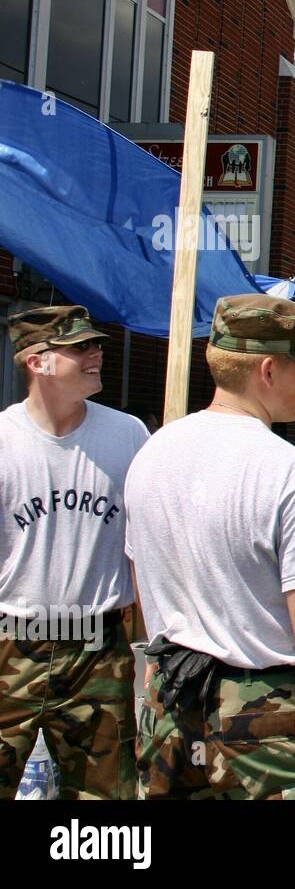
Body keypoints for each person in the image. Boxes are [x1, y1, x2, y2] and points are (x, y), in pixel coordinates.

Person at [126, 294, 295, 799]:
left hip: (170, 709)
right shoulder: (291, 473)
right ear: (267, 370)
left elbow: (143, 593)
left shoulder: (151, 454)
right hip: (263, 722)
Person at [0, 305, 147, 800]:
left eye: (96, 344)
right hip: (11, 641)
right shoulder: (3, 441)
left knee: (106, 797)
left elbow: (147, 543)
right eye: (79, 346)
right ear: (36, 362)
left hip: (97, 645)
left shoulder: (127, 436)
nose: (96, 353)